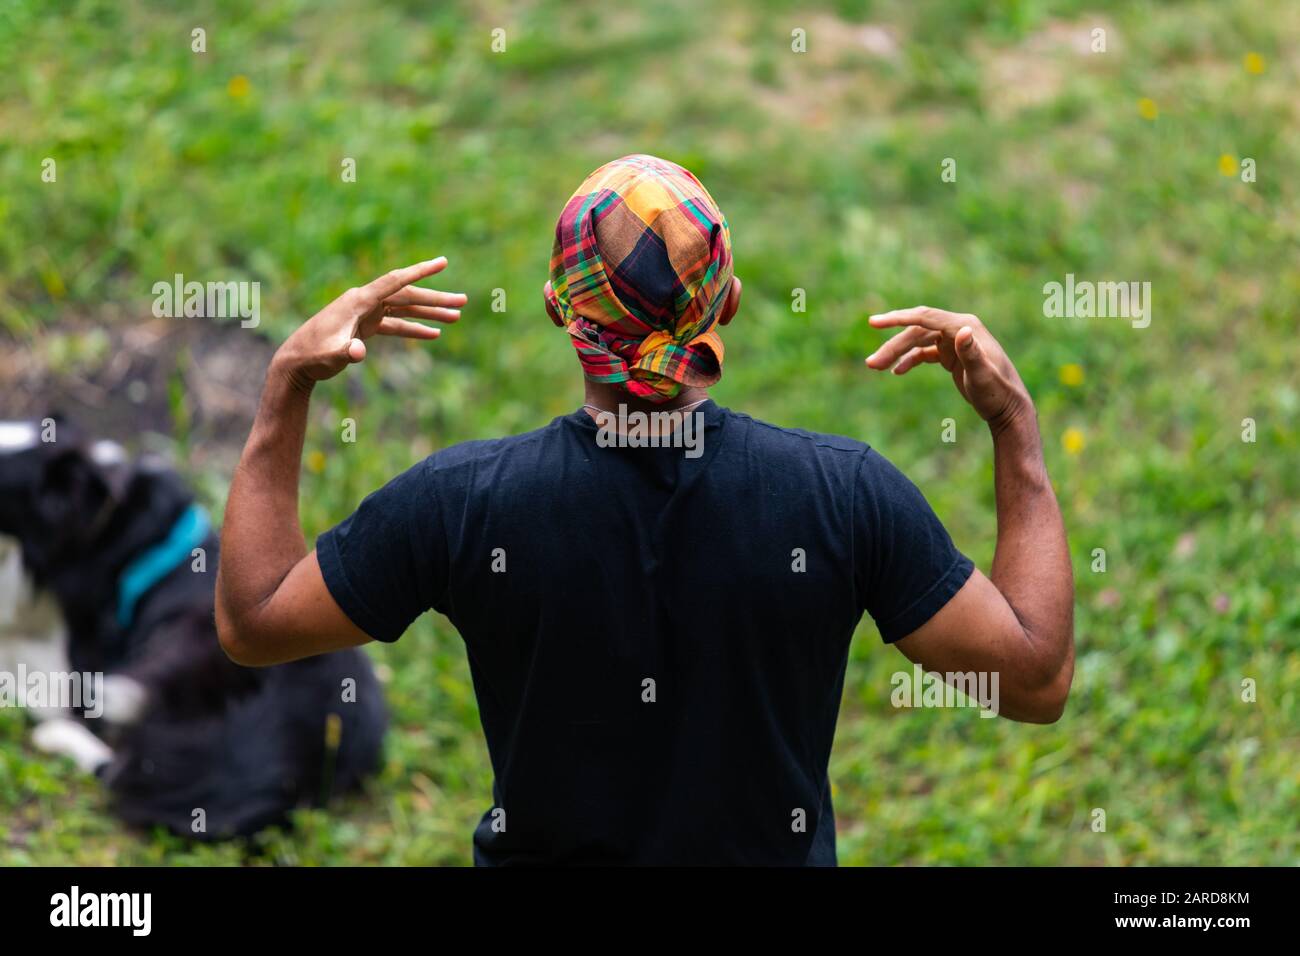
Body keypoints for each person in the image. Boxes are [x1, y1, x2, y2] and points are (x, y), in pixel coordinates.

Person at [216, 154, 1074, 865]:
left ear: (558, 306)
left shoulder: (463, 504)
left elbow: (255, 621)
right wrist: (1013, 427)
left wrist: (288, 380)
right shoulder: (842, 494)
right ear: (726, 304)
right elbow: (1034, 681)